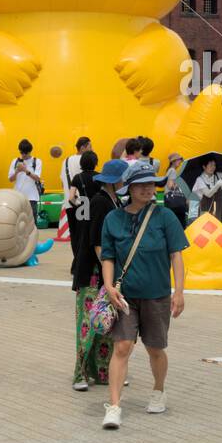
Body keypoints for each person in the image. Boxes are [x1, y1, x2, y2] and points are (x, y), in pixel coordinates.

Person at [99, 164, 188, 430]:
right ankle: (114, 406)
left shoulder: (165, 216)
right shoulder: (112, 219)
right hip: (125, 297)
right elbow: (108, 257)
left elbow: (177, 255)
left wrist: (179, 291)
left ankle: (159, 390)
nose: (149, 188)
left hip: (157, 294)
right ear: (129, 188)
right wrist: (108, 286)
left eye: (152, 184)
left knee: (155, 348)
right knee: (122, 347)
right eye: (142, 185)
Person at [72, 157, 129, 390]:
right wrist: (109, 271)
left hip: (106, 272)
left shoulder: (115, 201)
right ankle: (80, 374)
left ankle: (104, 371)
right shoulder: (99, 202)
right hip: (93, 274)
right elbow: (96, 241)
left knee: (107, 324)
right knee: (88, 324)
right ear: (115, 181)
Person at [62, 136, 92, 257]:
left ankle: (76, 263)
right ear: (83, 147)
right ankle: (82, 264)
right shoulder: (85, 160)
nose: (92, 149)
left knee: (74, 235)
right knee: (84, 235)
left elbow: (62, 181)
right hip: (82, 203)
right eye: (90, 146)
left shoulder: (66, 160)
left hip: (69, 203)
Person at [8, 140, 43, 223]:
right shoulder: (15, 161)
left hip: (32, 197)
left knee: (32, 223)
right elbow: (10, 179)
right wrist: (17, 171)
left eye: (25, 153)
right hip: (17, 197)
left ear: (30, 151)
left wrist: (25, 170)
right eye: (21, 152)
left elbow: (37, 178)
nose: (23, 155)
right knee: (17, 222)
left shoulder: (37, 161)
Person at [163, 152, 188, 226]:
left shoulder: (169, 170)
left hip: (168, 199)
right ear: (173, 161)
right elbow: (170, 185)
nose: (180, 162)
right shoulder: (173, 171)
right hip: (173, 200)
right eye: (178, 160)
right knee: (179, 222)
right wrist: (180, 184)